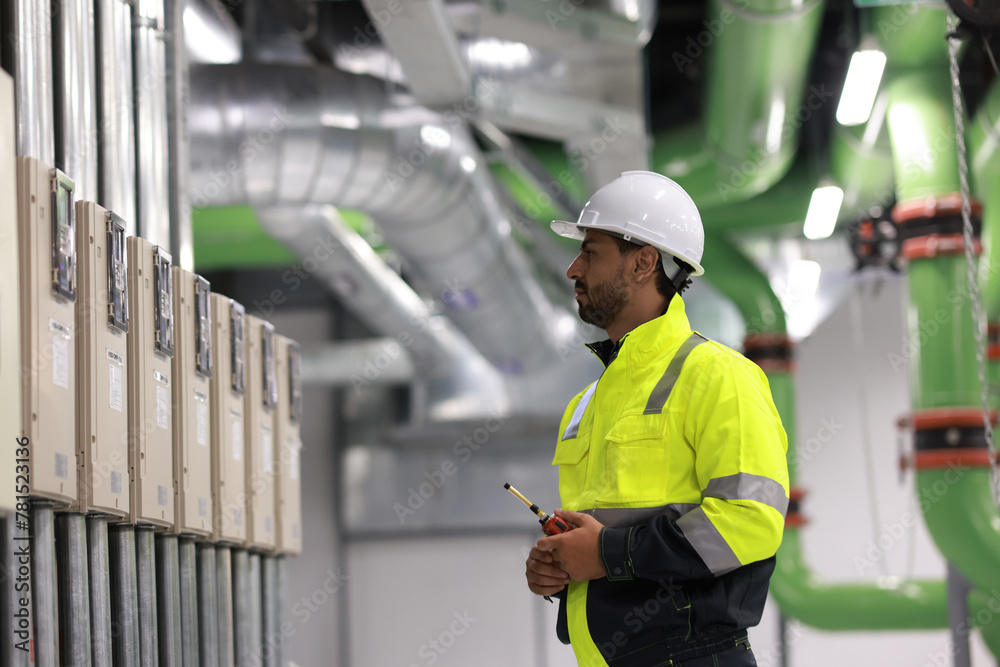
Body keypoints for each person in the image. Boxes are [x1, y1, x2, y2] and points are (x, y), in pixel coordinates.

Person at [524, 171, 789, 667]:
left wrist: (607, 554)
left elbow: (750, 522)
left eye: (591, 251)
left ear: (644, 262)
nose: (573, 269)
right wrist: (561, 566)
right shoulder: (589, 402)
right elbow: (604, 534)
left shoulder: (718, 377)